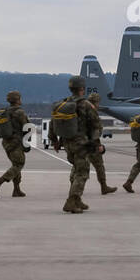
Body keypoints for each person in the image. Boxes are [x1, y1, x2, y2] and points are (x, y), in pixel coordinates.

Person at [51, 75, 101, 213]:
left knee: (76, 169)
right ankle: (71, 202)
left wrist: (54, 140)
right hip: (81, 144)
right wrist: (96, 143)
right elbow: (96, 125)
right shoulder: (86, 104)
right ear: (82, 89)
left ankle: (77, 199)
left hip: (67, 143)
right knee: (82, 173)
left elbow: (52, 123)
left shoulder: (63, 104)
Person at [0, 90, 30, 197]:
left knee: (15, 165)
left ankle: (16, 189)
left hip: (6, 143)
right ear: (17, 99)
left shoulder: (5, 111)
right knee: (19, 164)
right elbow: (27, 127)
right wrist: (27, 142)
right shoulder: (19, 112)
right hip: (16, 142)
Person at [85, 92, 118, 195]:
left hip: (82, 143)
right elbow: (94, 130)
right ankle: (104, 187)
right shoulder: (92, 112)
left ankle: (74, 187)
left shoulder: (82, 111)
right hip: (92, 144)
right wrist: (97, 145)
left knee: (80, 167)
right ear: (96, 102)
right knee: (99, 166)